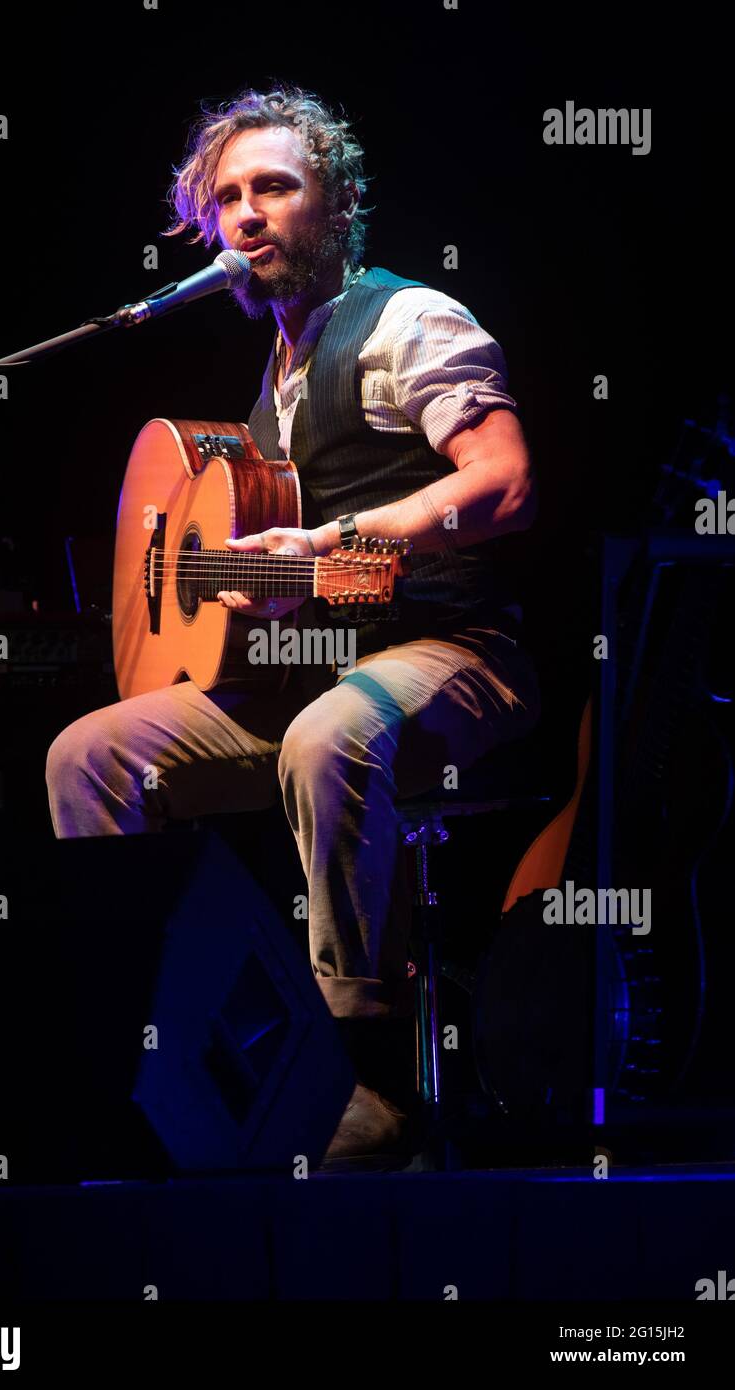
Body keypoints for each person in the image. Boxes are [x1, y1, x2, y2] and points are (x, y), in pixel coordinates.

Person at [46, 85, 541, 1170]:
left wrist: (323, 550)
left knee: (330, 737)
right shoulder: (268, 392)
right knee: (89, 754)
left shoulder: (408, 322)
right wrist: (283, 586)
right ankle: (131, 1045)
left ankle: (363, 1073)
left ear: (339, 203)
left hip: (461, 659)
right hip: (316, 665)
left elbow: (503, 487)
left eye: (274, 185)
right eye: (225, 197)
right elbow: (332, 581)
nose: (246, 213)